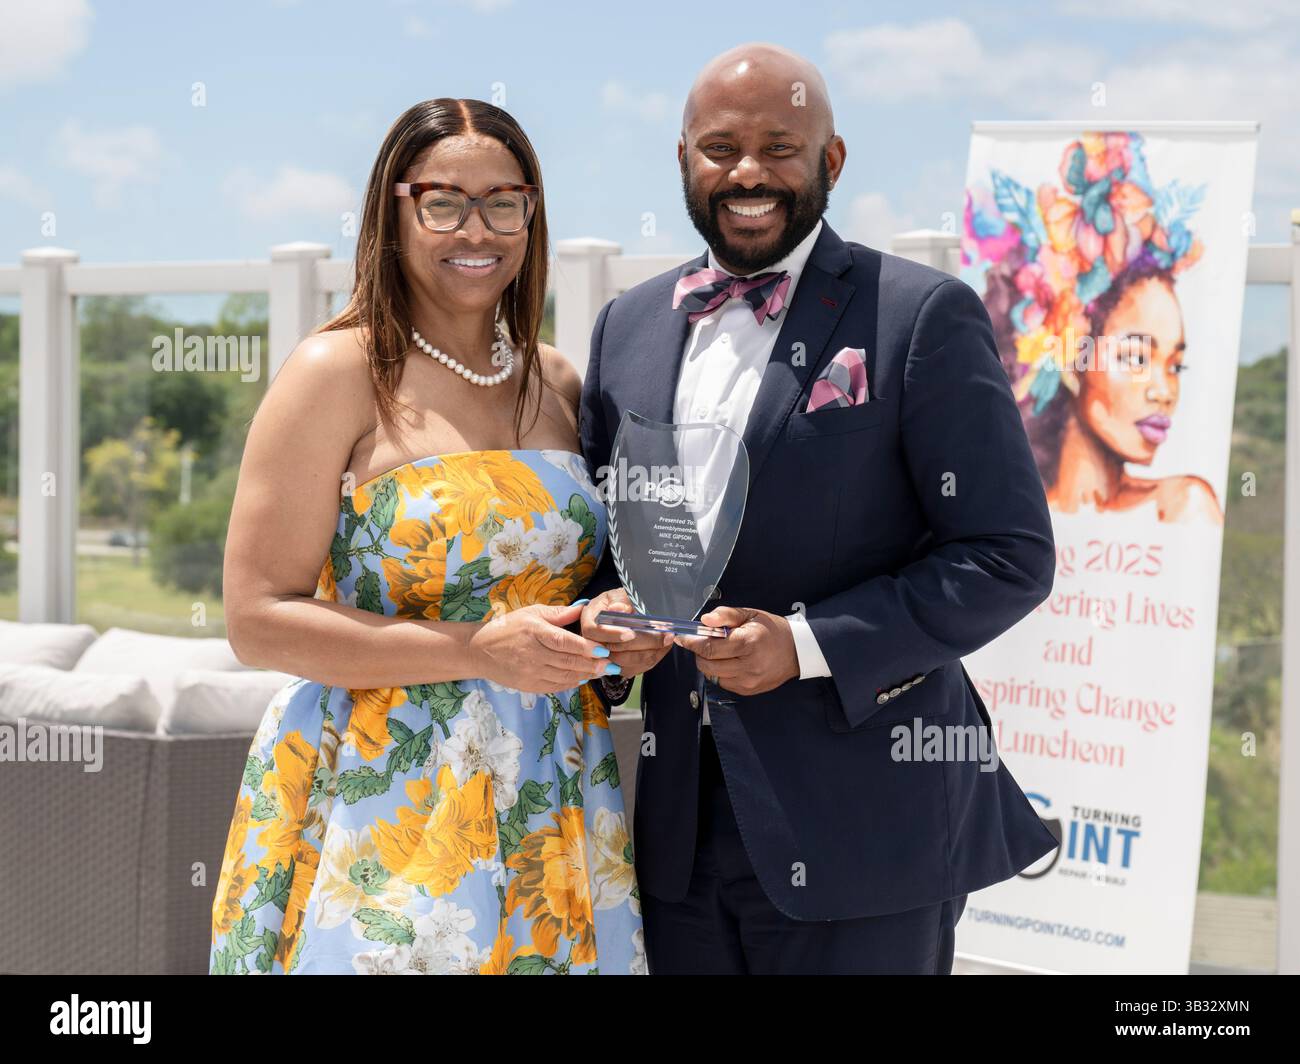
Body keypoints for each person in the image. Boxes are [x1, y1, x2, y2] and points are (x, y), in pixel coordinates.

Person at [577, 43, 1060, 974]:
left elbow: (1007, 554)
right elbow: (609, 539)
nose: (747, 171)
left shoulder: (920, 314)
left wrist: (803, 646)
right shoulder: (625, 327)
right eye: (719, 147)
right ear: (683, 161)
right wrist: (605, 625)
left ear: (830, 162)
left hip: (867, 831)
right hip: (674, 833)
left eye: (779, 145)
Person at [209, 98, 645, 975]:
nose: (474, 228)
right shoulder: (336, 371)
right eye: (443, 202)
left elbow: (574, 589)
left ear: (532, 213)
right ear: (392, 212)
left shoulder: (555, 379)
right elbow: (256, 619)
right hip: (381, 794)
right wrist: (478, 652)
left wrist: (614, 632)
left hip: (551, 789)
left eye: (503, 201)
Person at [965, 130, 1220, 523]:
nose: (1164, 391)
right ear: (1072, 351)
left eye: (1175, 365)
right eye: (1136, 357)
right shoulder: (1001, 519)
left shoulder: (1184, 505)